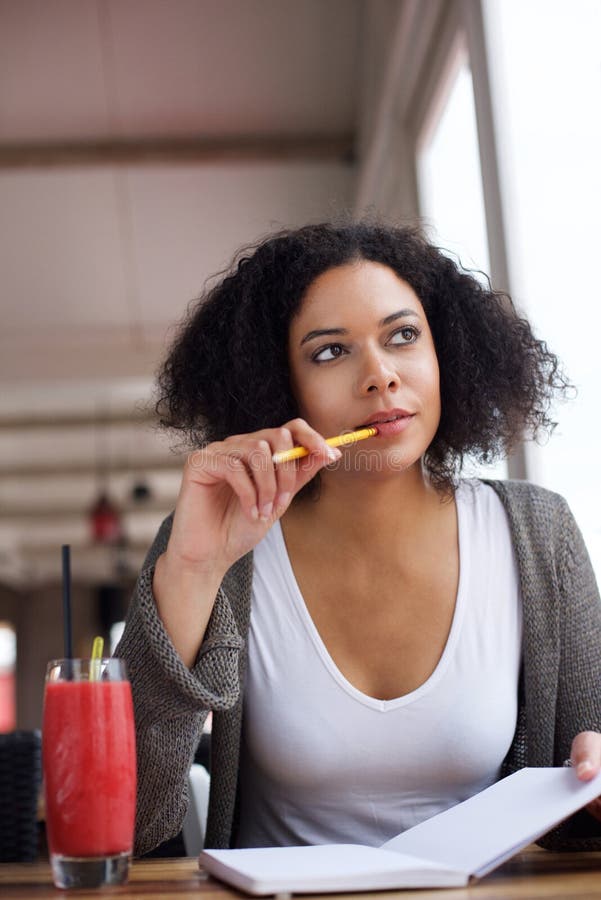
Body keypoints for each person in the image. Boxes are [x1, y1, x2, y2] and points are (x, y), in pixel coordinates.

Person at [116, 221, 601, 857]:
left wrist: (589, 793)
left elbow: (578, 826)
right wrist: (194, 571)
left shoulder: (539, 537)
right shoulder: (218, 542)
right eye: (329, 352)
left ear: (445, 353)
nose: (379, 376)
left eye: (403, 336)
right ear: (277, 385)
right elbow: (124, 821)